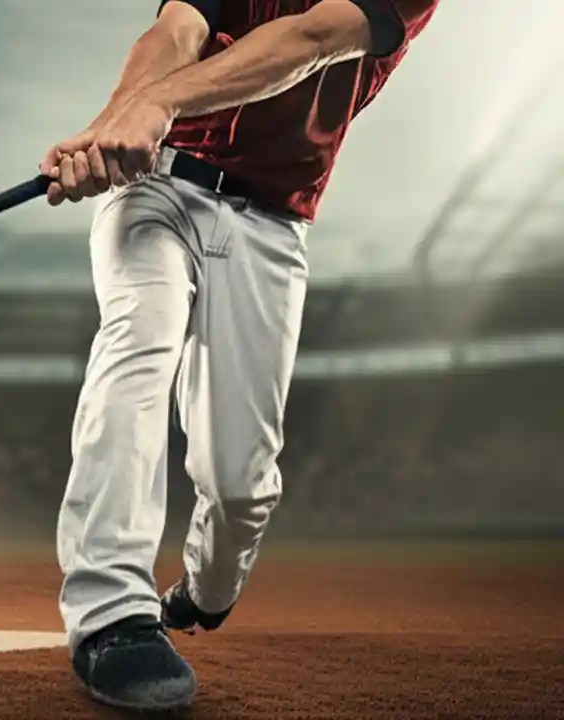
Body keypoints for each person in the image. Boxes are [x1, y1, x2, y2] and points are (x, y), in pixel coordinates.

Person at [38, 0, 439, 711]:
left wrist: (157, 102)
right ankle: (112, 615)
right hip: (156, 185)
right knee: (138, 340)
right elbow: (178, 30)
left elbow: (313, 38)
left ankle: (204, 591)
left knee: (240, 483)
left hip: (273, 223)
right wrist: (109, 127)